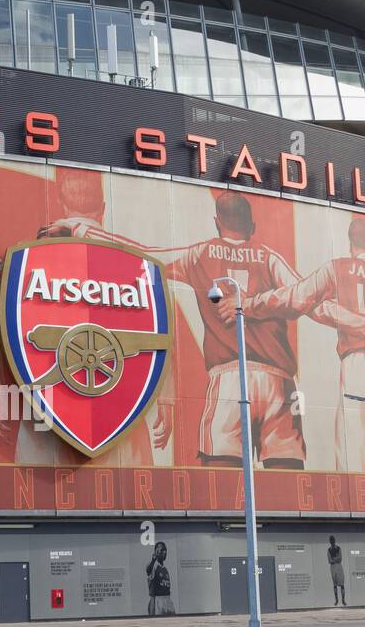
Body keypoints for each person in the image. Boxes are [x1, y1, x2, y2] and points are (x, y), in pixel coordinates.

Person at [41, 190, 307, 468]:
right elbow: (305, 294)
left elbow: (145, 254)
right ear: (252, 227)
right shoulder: (270, 258)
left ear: (217, 223)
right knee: (287, 474)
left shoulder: (199, 254)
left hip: (230, 376)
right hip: (280, 380)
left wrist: (81, 230)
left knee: (223, 474)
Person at [216, 216, 365, 474]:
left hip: (359, 368)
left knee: (361, 467)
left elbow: (295, 297)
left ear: (352, 245)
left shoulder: (337, 268)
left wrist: (248, 304)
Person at [146, 542, 174, 616]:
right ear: (156, 552)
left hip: (168, 599)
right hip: (158, 600)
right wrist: (153, 560)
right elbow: (148, 571)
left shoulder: (165, 569)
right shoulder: (153, 566)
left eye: (165, 550)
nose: (165, 552)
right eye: (162, 550)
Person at [327, 535, 346, 606]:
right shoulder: (329, 550)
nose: (332, 542)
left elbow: (340, 558)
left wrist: (334, 559)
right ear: (330, 542)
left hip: (338, 566)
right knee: (334, 584)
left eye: (333, 540)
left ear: (334, 541)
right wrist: (336, 559)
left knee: (342, 584)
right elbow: (329, 560)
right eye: (331, 541)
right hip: (332, 567)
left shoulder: (338, 548)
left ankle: (343, 600)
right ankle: (336, 600)